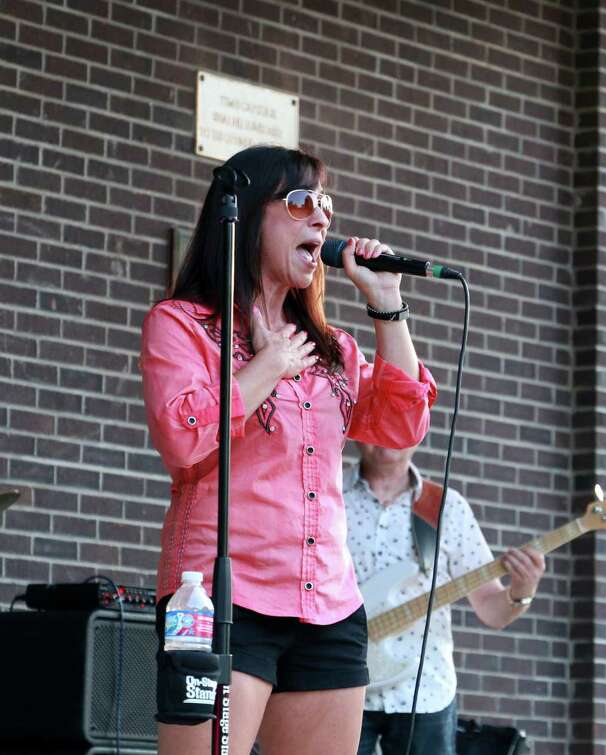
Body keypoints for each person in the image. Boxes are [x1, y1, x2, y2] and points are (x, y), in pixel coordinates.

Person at [141, 145, 438, 755]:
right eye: (301, 201)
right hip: (224, 596)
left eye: (325, 204)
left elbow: (402, 426)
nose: (321, 218)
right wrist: (268, 365)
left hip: (327, 605)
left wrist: (387, 305)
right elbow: (182, 436)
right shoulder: (183, 326)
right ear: (247, 216)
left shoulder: (331, 349)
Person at [344, 441, 545, 755]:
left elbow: (492, 610)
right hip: (341, 685)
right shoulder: (327, 497)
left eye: (398, 422)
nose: (386, 435)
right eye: (377, 423)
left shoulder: (446, 507)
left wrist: (522, 592)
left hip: (425, 690)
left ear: (419, 432)